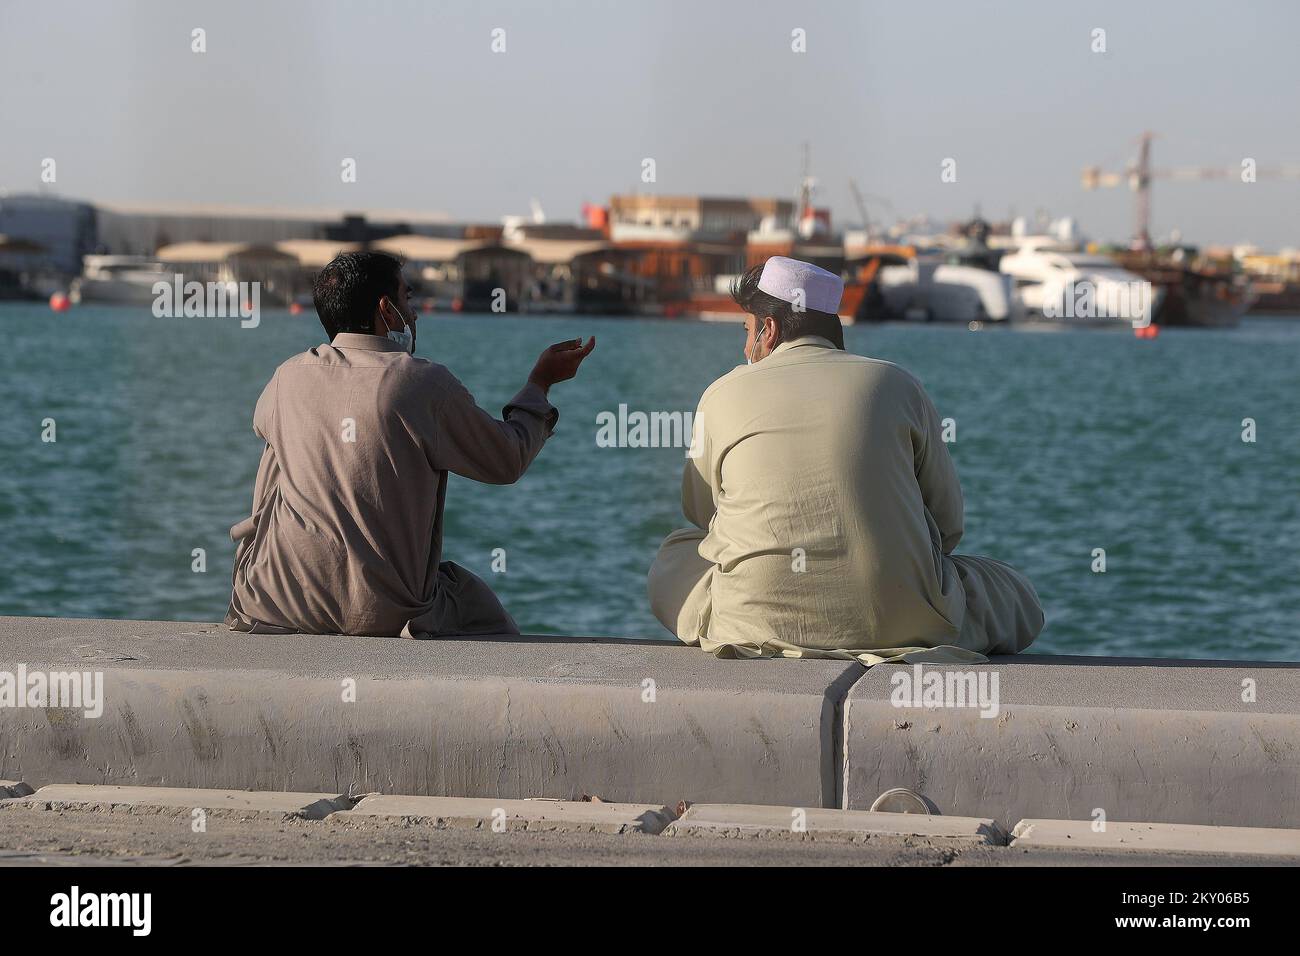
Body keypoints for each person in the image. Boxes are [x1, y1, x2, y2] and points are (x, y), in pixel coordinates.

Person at [647, 256, 1043, 664]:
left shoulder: (721, 392)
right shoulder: (896, 383)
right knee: (1012, 589)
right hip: (901, 622)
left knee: (678, 552)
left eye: (747, 331)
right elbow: (948, 525)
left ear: (770, 329)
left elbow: (701, 512)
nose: (745, 346)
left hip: (751, 623)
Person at [225, 251, 594, 637]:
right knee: (476, 605)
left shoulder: (287, 377)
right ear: (387, 309)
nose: (415, 314)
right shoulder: (421, 383)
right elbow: (507, 460)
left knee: (281, 446)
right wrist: (539, 384)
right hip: (380, 613)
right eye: (408, 299)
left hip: (272, 600)